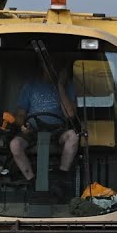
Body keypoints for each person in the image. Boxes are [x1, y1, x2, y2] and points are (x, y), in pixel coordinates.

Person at [9, 54, 79, 189]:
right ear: (42, 66)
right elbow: (20, 113)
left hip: (57, 131)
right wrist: (23, 126)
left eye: (56, 66)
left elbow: (70, 115)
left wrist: (60, 86)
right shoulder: (30, 84)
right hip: (33, 130)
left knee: (74, 137)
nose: (52, 69)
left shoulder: (67, 86)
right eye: (49, 65)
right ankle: (31, 181)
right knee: (15, 144)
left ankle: (62, 176)